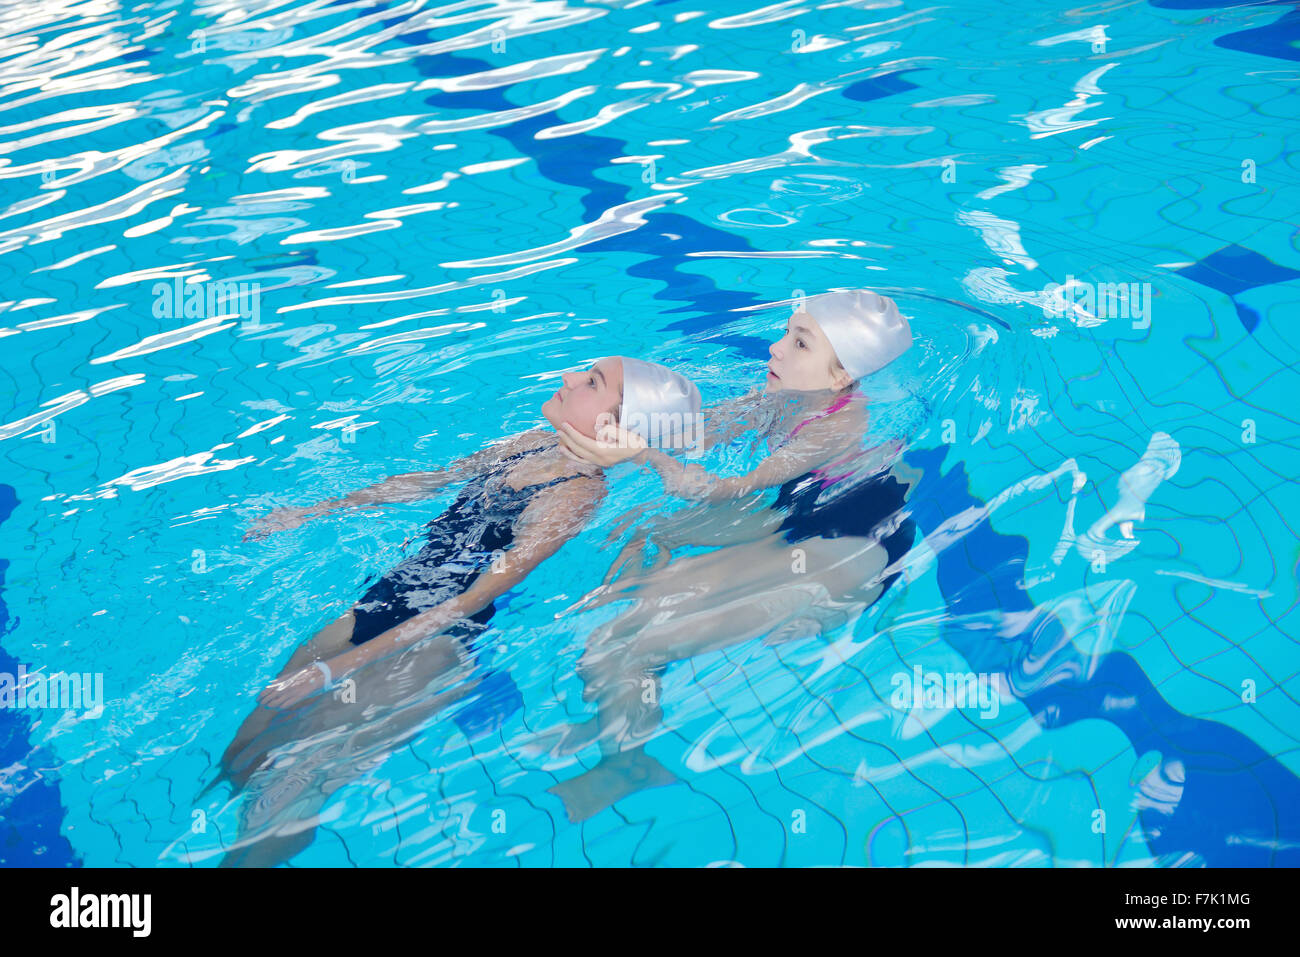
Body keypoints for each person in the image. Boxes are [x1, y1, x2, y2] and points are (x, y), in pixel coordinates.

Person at [214, 355, 702, 866]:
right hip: (385, 600)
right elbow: (434, 479)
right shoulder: (531, 443)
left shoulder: (574, 497)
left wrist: (331, 670)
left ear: (615, 426)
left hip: (435, 644)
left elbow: (471, 599)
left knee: (300, 780)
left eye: (592, 382)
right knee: (246, 754)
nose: (568, 377)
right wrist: (319, 509)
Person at [546, 289, 920, 821]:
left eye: (799, 342)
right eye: (787, 331)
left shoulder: (841, 424)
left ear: (841, 377)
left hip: (852, 551)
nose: (775, 348)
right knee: (647, 531)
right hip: (801, 517)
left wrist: (640, 455)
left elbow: (726, 488)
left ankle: (626, 763)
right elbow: (695, 433)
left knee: (627, 641)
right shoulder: (782, 394)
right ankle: (621, 698)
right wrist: (624, 431)